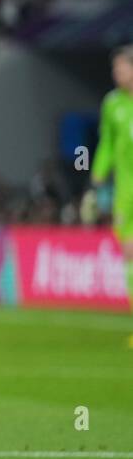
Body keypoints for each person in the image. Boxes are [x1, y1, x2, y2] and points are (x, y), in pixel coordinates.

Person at [90, 42, 133, 346]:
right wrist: (98, 171)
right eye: (115, 67)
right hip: (126, 193)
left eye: (121, 66)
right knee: (129, 252)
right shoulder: (113, 103)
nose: (116, 72)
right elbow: (106, 141)